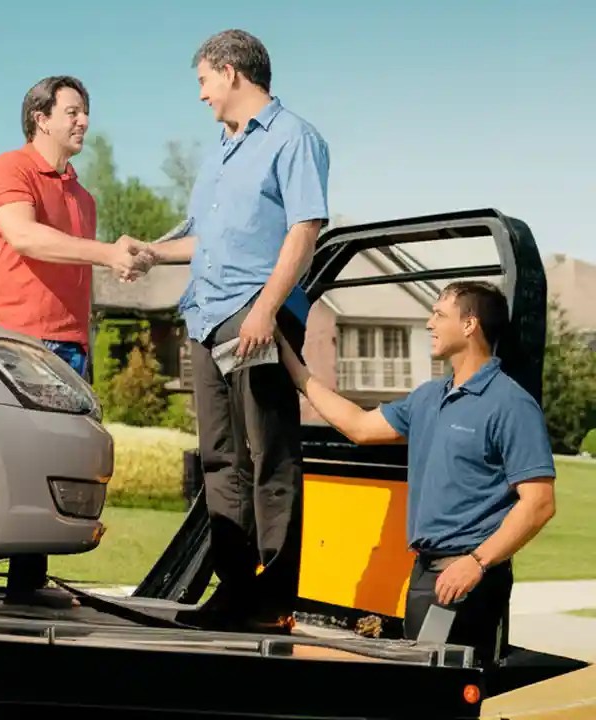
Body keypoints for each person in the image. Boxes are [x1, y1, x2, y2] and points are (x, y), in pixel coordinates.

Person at [138, 29, 331, 626]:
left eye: (202, 81)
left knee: (270, 454)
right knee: (221, 460)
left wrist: (266, 310)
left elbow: (305, 228)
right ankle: (234, 593)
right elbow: (205, 242)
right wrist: (149, 251)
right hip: (206, 316)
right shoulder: (220, 151)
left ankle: (273, 599)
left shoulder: (294, 139)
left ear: (230, 72)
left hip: (255, 317)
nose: (201, 95)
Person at [275, 280, 557, 666]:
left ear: (470, 324)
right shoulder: (428, 397)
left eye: (440, 314)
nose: (429, 323)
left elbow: (539, 504)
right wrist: (294, 368)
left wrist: (476, 562)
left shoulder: (510, 404)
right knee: (420, 691)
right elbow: (358, 425)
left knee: (444, 697)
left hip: (468, 576)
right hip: (426, 574)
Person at [0, 75, 152, 605]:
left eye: (86, 111)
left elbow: (75, 260)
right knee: (0, 459)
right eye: (73, 111)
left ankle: (27, 586)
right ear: (40, 117)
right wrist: (105, 253)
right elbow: (26, 235)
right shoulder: (10, 169)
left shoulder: (83, 196)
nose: (84, 121)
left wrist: (121, 264)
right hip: (17, 339)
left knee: (54, 463)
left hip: (70, 346)